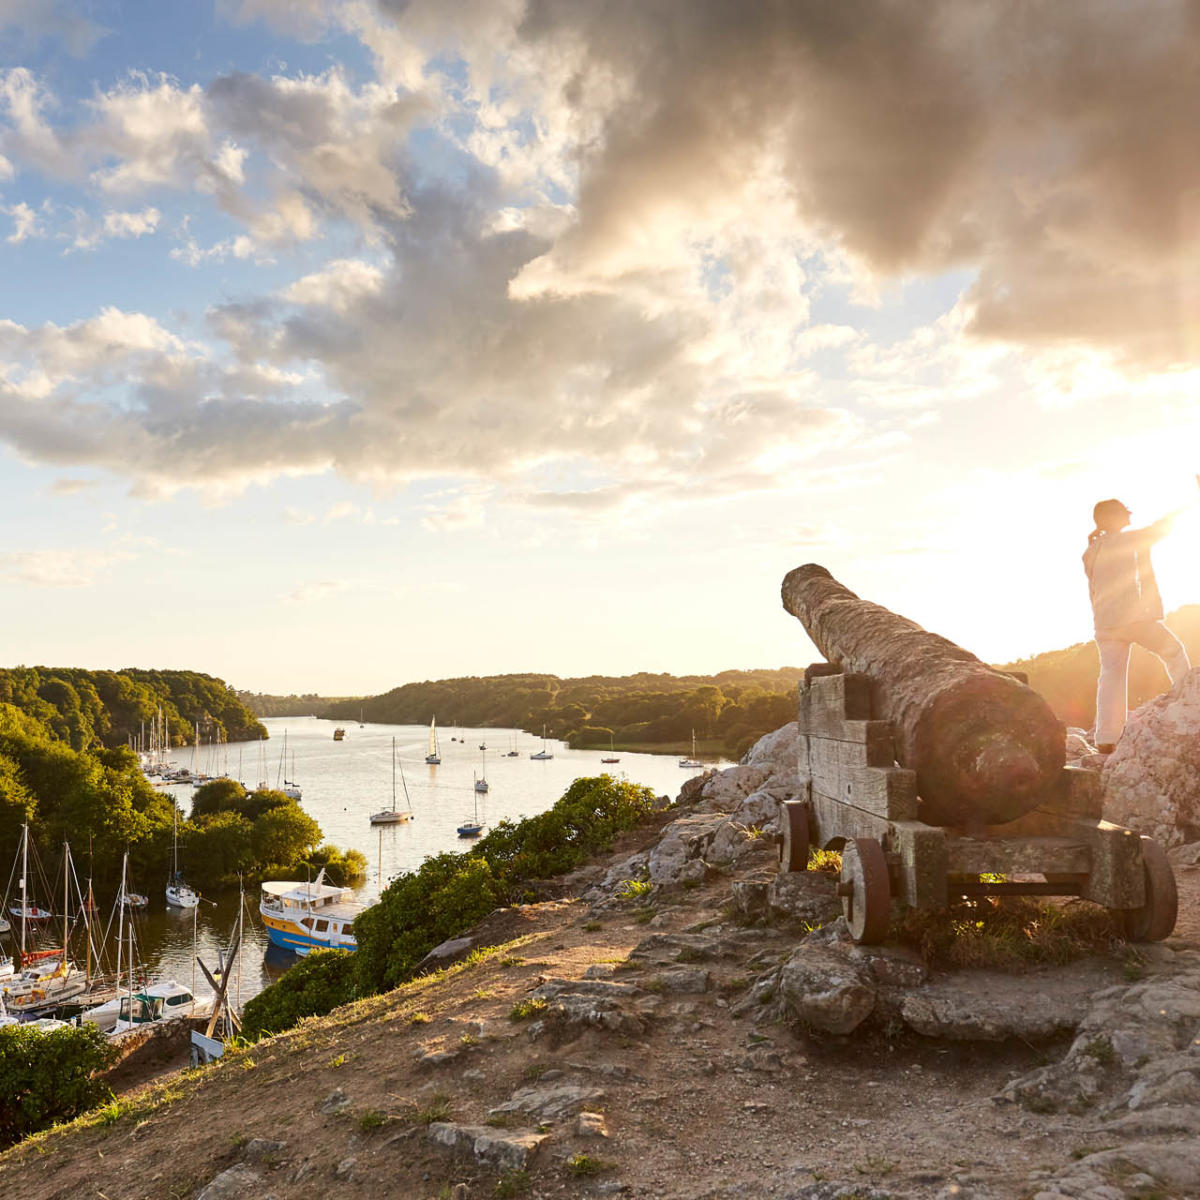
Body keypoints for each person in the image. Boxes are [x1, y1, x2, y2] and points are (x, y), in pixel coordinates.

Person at [1082, 484, 1198, 752]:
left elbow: (1094, 589)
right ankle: (1191, 703)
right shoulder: (1127, 540)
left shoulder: (1090, 551)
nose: (1130, 516)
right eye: (1125, 512)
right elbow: (1163, 526)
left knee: (1110, 676)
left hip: (1105, 624)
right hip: (1134, 617)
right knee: (1174, 652)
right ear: (1112, 518)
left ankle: (1106, 738)